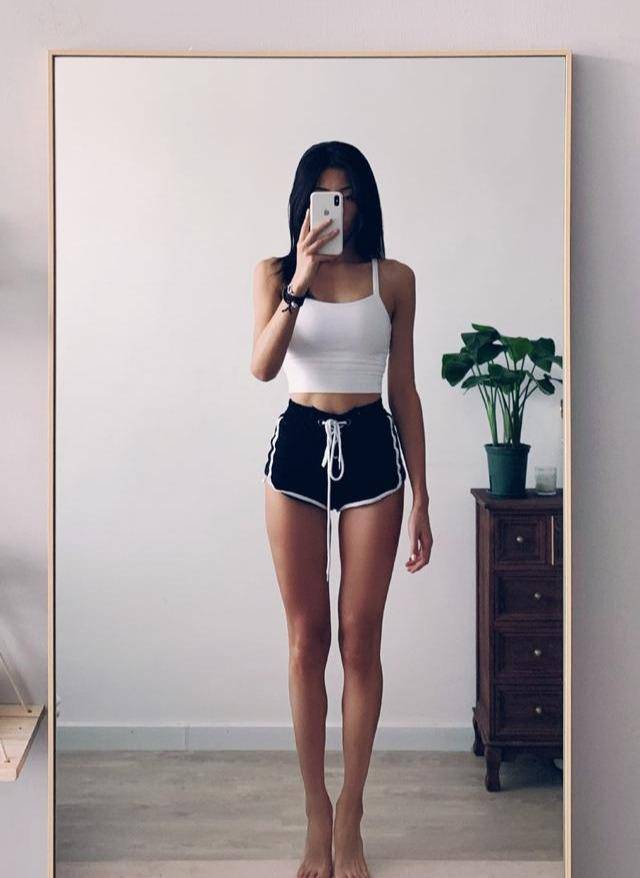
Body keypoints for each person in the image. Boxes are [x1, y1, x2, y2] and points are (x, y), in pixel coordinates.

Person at [251, 140, 433, 878]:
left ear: (364, 201)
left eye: (349, 193)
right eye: (326, 194)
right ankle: (315, 813)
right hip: (298, 445)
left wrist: (423, 497)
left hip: (371, 450)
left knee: (360, 642)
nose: (339, 207)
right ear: (304, 201)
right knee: (306, 641)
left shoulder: (395, 279)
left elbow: (405, 391)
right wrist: (299, 281)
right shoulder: (273, 274)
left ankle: (352, 812)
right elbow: (262, 366)